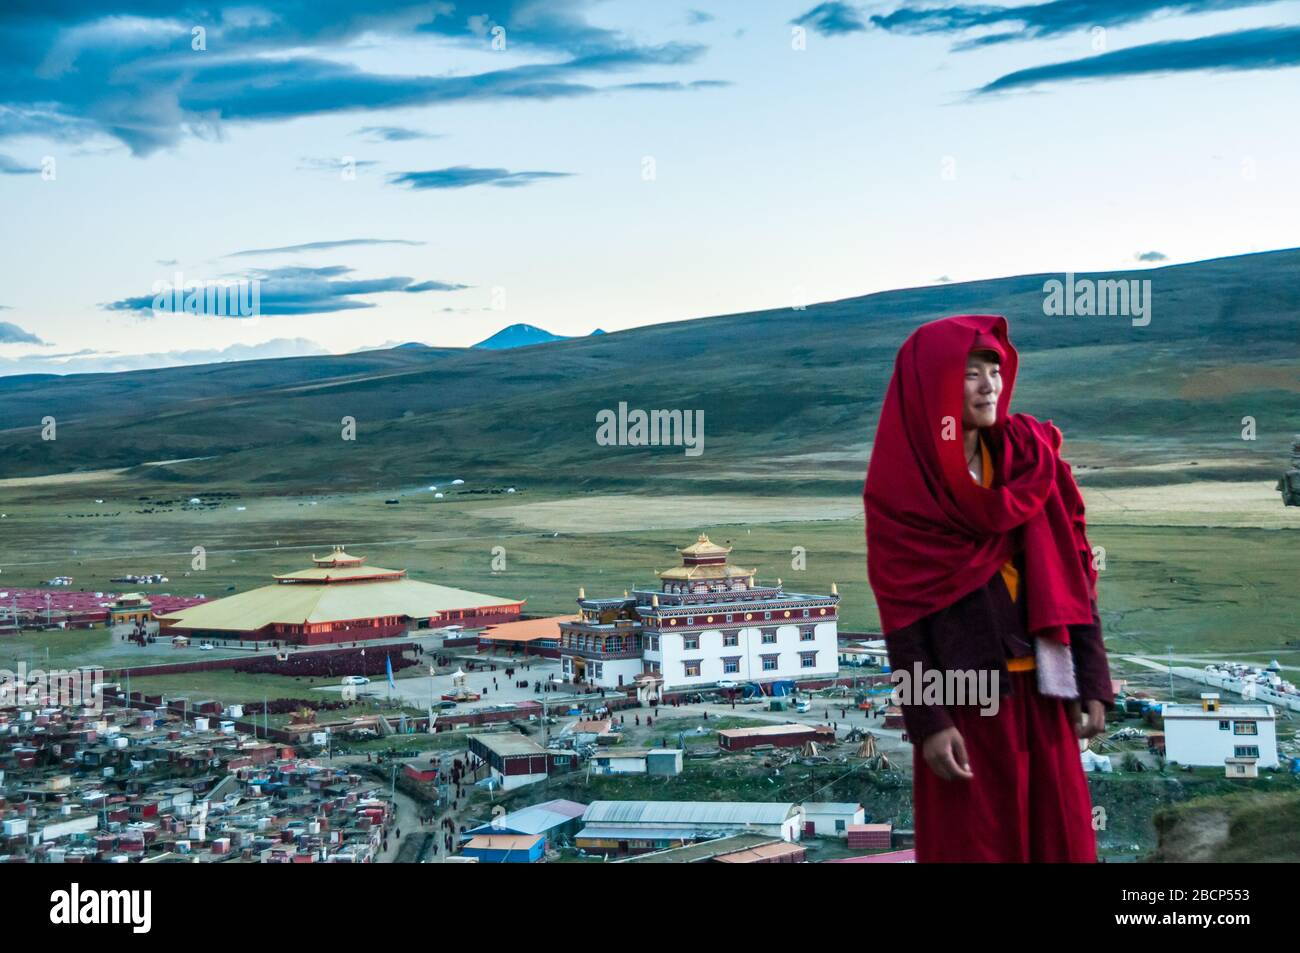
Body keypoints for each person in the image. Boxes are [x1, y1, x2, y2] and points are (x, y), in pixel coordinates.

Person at [864, 314, 1111, 863]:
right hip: (966, 700)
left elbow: (1075, 573)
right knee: (975, 847)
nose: (989, 384)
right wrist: (929, 721)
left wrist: (1092, 678)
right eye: (969, 372)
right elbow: (903, 616)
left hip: (1048, 692)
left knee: (1059, 839)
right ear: (931, 385)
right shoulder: (903, 487)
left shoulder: (1029, 458)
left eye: (994, 370)